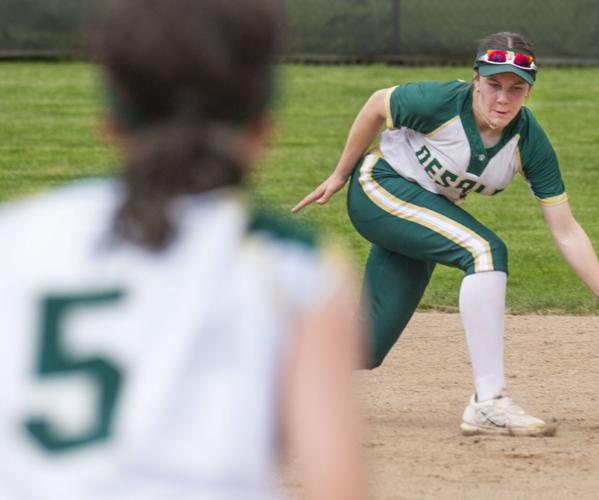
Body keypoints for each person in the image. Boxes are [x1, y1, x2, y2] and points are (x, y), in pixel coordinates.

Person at [0, 0, 366, 499]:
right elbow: (336, 487)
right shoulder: (294, 265)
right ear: (263, 130)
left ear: (110, 122)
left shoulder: (18, 235)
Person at [293, 32, 599, 437]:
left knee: (366, 346)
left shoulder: (527, 143)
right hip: (381, 189)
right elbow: (378, 103)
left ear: (529, 92)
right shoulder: (443, 103)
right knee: (484, 251)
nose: (503, 98)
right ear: (476, 79)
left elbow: (566, 230)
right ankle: (489, 402)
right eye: (494, 84)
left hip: (423, 214)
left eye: (516, 88)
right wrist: (341, 173)